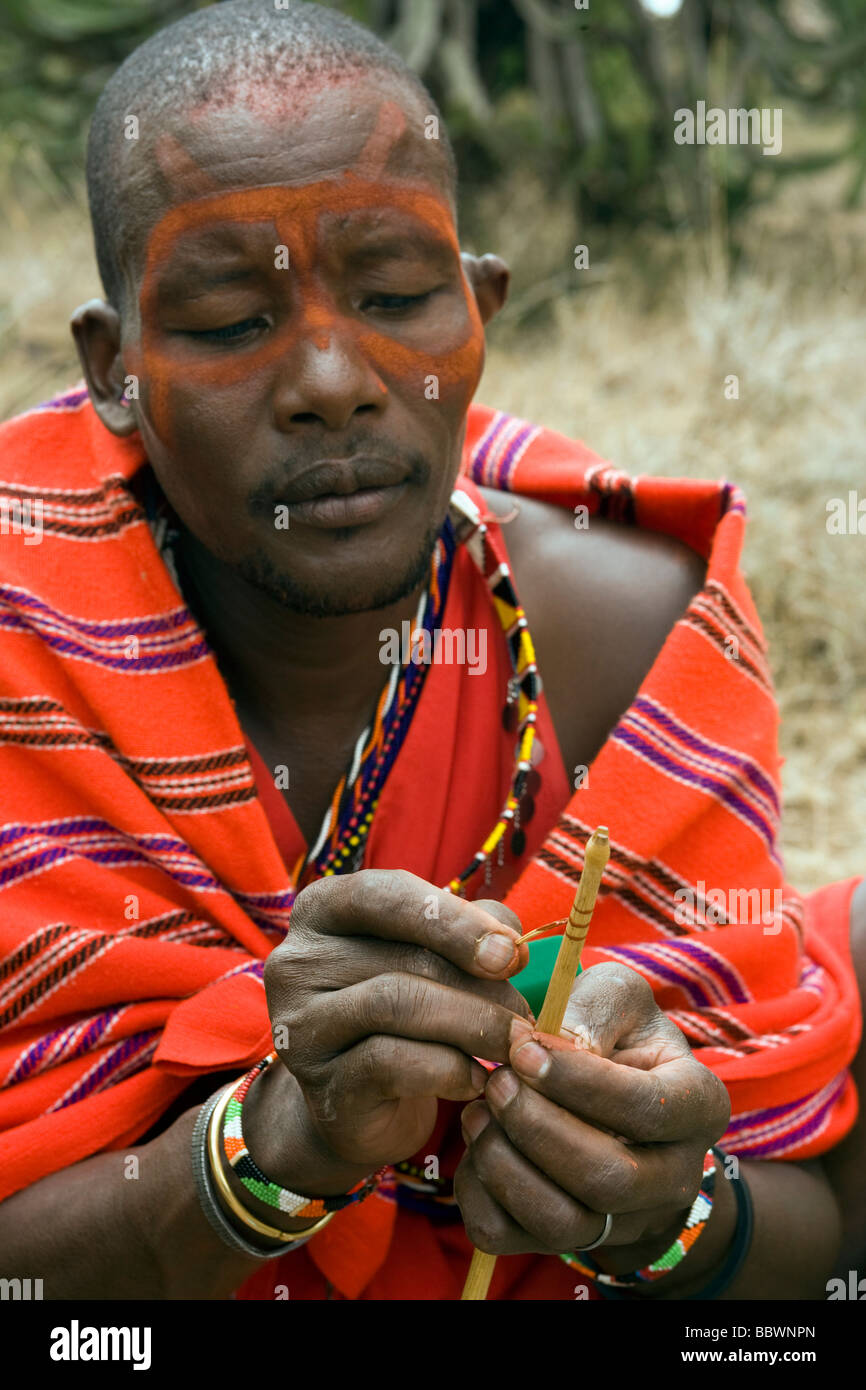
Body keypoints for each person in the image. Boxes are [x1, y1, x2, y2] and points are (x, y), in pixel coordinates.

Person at [0, 0, 862, 1301]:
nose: (332, 379)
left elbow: (801, 1223)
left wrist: (659, 1206)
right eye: (232, 321)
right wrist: (263, 1152)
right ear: (115, 371)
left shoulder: (629, 631)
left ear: (480, 309)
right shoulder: (29, 635)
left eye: (399, 296)